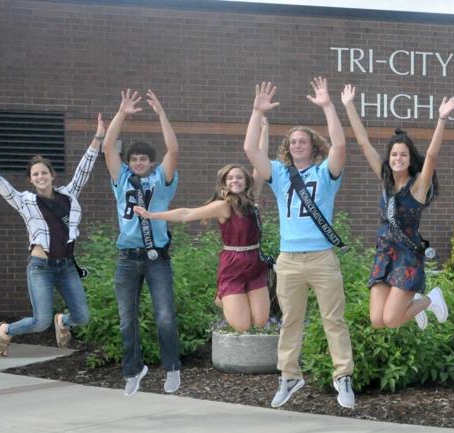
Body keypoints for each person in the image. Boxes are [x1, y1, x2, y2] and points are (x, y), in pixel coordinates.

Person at [243, 78, 356, 409]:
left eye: (302, 141)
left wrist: (327, 106)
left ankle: (343, 377)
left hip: (322, 258)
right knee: (290, 320)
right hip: (289, 259)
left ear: (312, 145)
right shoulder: (278, 174)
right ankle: (289, 376)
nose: (296, 145)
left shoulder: (325, 174)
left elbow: (340, 146)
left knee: (333, 319)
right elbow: (251, 150)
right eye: (292, 141)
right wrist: (256, 111)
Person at [341, 85, 454, 330]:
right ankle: (412, 303)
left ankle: (429, 299)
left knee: (392, 320)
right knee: (377, 321)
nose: (397, 159)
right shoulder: (385, 181)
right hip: (384, 253)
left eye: (403, 155)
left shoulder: (417, 187)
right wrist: (349, 105)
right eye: (394, 155)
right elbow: (364, 144)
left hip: (407, 256)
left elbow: (432, 156)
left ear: (409, 158)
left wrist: (442, 119)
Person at [0, 115, 103, 357]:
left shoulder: (68, 196)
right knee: (40, 322)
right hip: (41, 267)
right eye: (35, 175)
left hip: (66, 267)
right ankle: (5, 330)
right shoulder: (24, 201)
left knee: (82, 316)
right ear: (31, 179)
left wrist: (98, 138)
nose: (40, 177)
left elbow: (84, 169)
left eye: (44, 173)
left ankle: (62, 321)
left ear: (52, 175)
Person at [103, 89, 183, 396]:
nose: (138, 163)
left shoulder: (161, 180)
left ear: (151, 162)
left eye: (143, 159)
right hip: (127, 258)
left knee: (164, 315)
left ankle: (172, 367)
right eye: (134, 159)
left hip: (156, 258)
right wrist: (122, 113)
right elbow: (108, 146)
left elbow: (173, 152)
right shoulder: (121, 179)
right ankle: (133, 371)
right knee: (127, 319)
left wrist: (162, 114)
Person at [134, 164, 270, 333]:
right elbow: (187, 214)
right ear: (224, 183)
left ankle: (227, 297)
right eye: (230, 178)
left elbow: (258, 159)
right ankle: (222, 296)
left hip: (255, 262)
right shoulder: (223, 206)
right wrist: (152, 215)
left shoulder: (251, 201)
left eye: (239, 177)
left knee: (260, 320)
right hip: (233, 264)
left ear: (247, 181)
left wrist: (263, 135)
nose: (235, 180)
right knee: (242, 325)